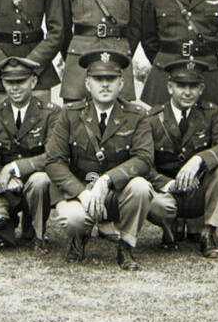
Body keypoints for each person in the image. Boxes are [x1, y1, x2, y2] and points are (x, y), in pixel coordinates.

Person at [46, 51, 155, 270]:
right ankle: (78, 239)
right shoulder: (70, 114)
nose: (105, 85)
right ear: (87, 83)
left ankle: (126, 246)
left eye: (111, 79)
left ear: (121, 83)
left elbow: (144, 158)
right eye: (98, 79)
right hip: (82, 193)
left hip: (116, 194)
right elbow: (54, 161)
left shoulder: (137, 115)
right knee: (73, 219)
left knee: (142, 187)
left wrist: (106, 181)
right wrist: (82, 192)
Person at [144, 58, 218, 258]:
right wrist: (169, 185)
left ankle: (208, 233)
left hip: (198, 192)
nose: (187, 92)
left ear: (201, 88)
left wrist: (199, 160)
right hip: (167, 194)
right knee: (152, 200)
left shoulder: (210, 114)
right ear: (170, 87)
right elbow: (144, 165)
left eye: (193, 86)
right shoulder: (152, 119)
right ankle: (169, 229)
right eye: (181, 86)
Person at [0, 57, 56, 249]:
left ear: (33, 82)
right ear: (3, 83)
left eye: (21, 82)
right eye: (9, 82)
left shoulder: (50, 113)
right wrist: (2, 182)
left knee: (41, 180)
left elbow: (53, 156)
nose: (15, 88)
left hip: (34, 185)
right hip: (4, 186)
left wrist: (15, 168)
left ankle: (36, 234)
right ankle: (5, 228)